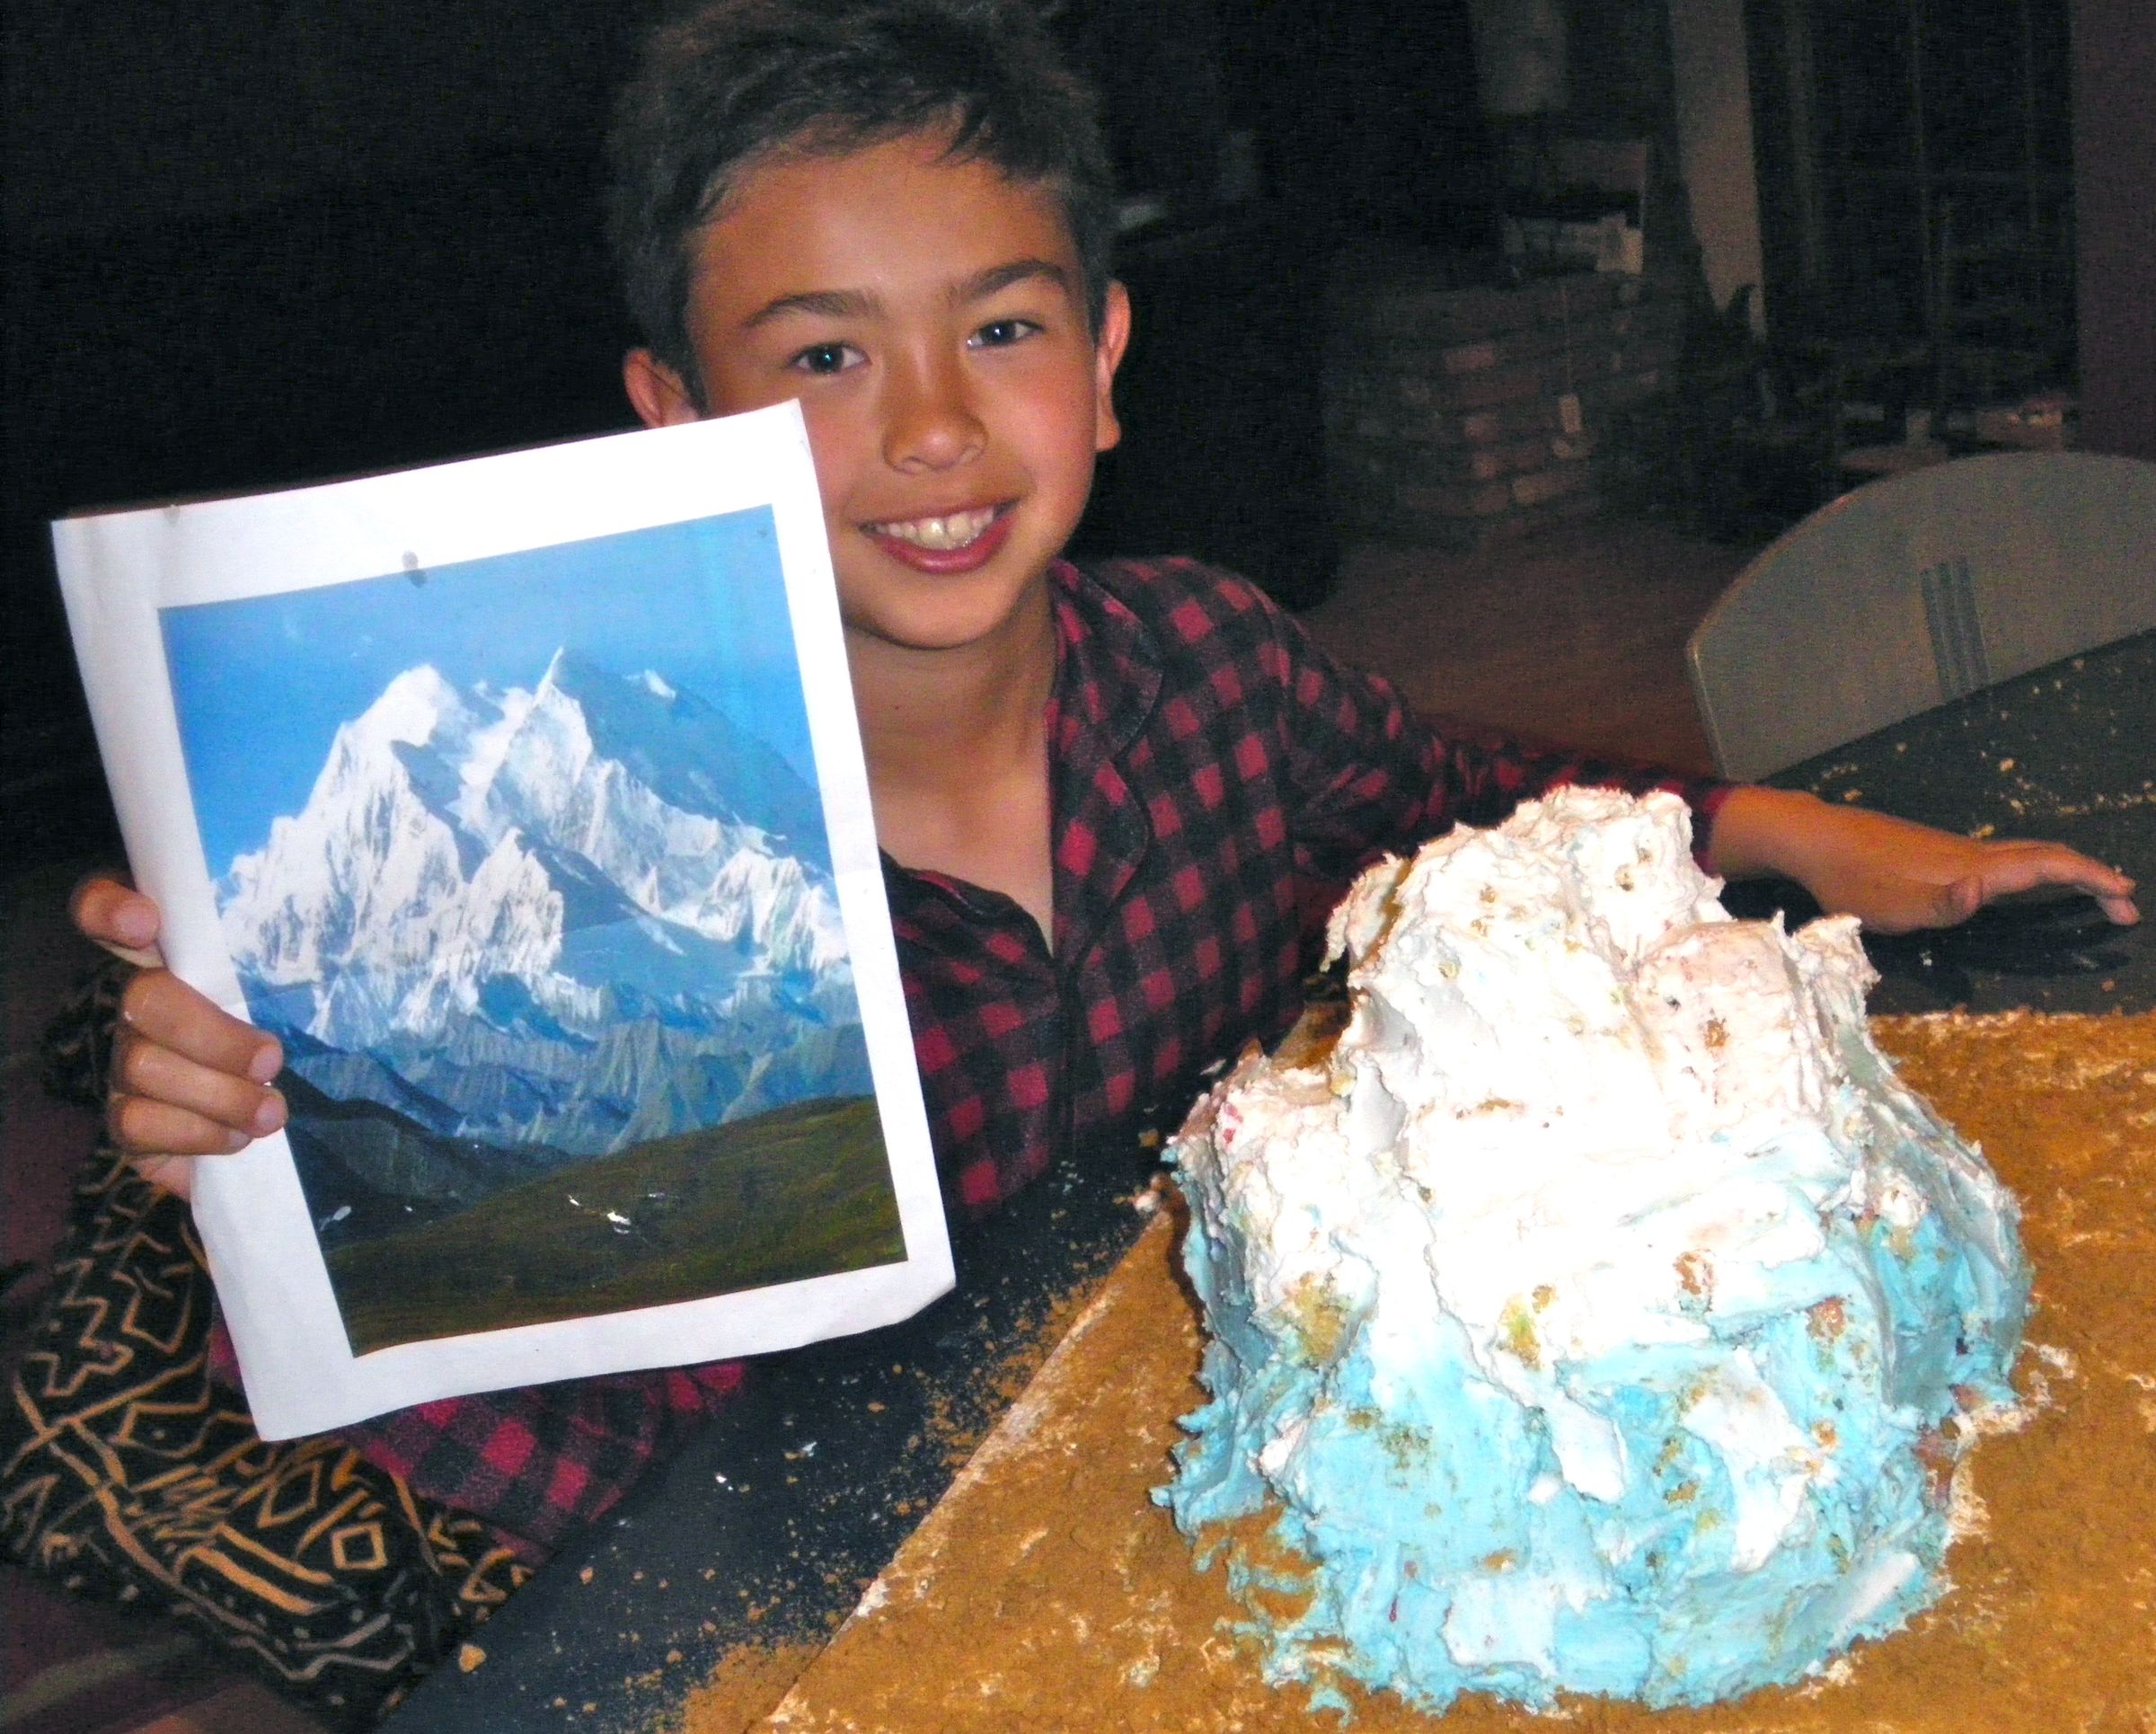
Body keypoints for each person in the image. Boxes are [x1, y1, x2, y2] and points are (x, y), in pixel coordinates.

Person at [9, 1, 2137, 1725]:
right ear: (678, 422)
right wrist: (265, 1143)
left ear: (1107, 364)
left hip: (1210, 1490)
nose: (932, 426)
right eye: (824, 356)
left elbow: (1458, 782)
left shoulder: (1210, 664)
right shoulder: (590, 866)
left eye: (1004, 328)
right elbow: (503, 1389)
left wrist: (1793, 828)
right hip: (809, 1582)